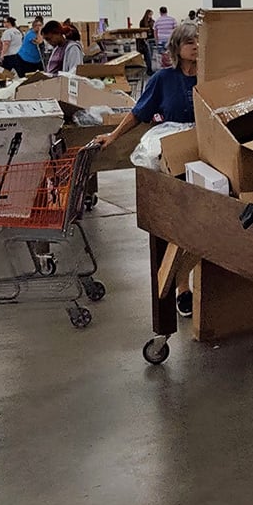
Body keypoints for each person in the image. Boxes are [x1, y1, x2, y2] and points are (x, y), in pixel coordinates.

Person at [94, 22, 198, 316]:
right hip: (172, 157)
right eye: (189, 42)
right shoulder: (163, 79)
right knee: (177, 224)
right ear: (176, 48)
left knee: (204, 223)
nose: (196, 46)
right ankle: (182, 288)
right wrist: (113, 137)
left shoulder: (210, 77)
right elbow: (139, 113)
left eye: (199, 41)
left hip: (205, 153)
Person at [137, 8, 155, 75]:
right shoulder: (142, 22)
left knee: (150, 55)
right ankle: (148, 69)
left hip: (151, 39)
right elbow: (141, 30)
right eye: (150, 14)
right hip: (145, 39)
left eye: (151, 15)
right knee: (148, 55)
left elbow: (154, 29)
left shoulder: (152, 21)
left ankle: (149, 69)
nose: (150, 16)